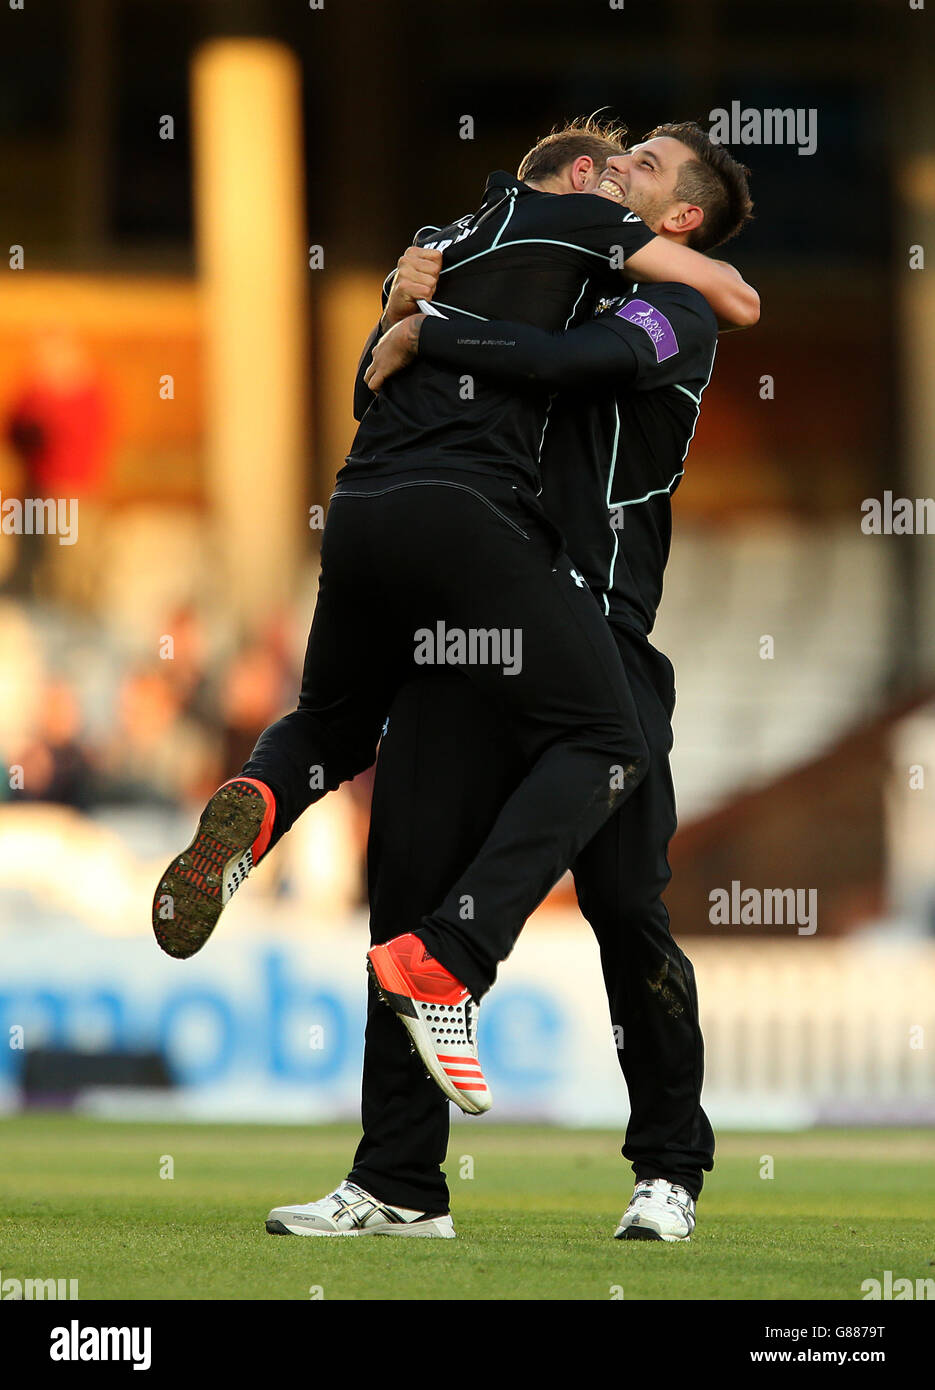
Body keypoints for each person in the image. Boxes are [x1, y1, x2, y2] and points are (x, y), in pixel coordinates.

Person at [153, 116, 758, 1123]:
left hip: (591, 624)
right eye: (610, 160)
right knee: (406, 873)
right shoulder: (542, 263)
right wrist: (411, 307)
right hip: (481, 594)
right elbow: (378, 372)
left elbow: (596, 357)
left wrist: (426, 322)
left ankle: (665, 1165)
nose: (616, 170)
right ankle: (396, 1179)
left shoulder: (670, 310)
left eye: (641, 165)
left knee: (621, 908)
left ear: (681, 215)